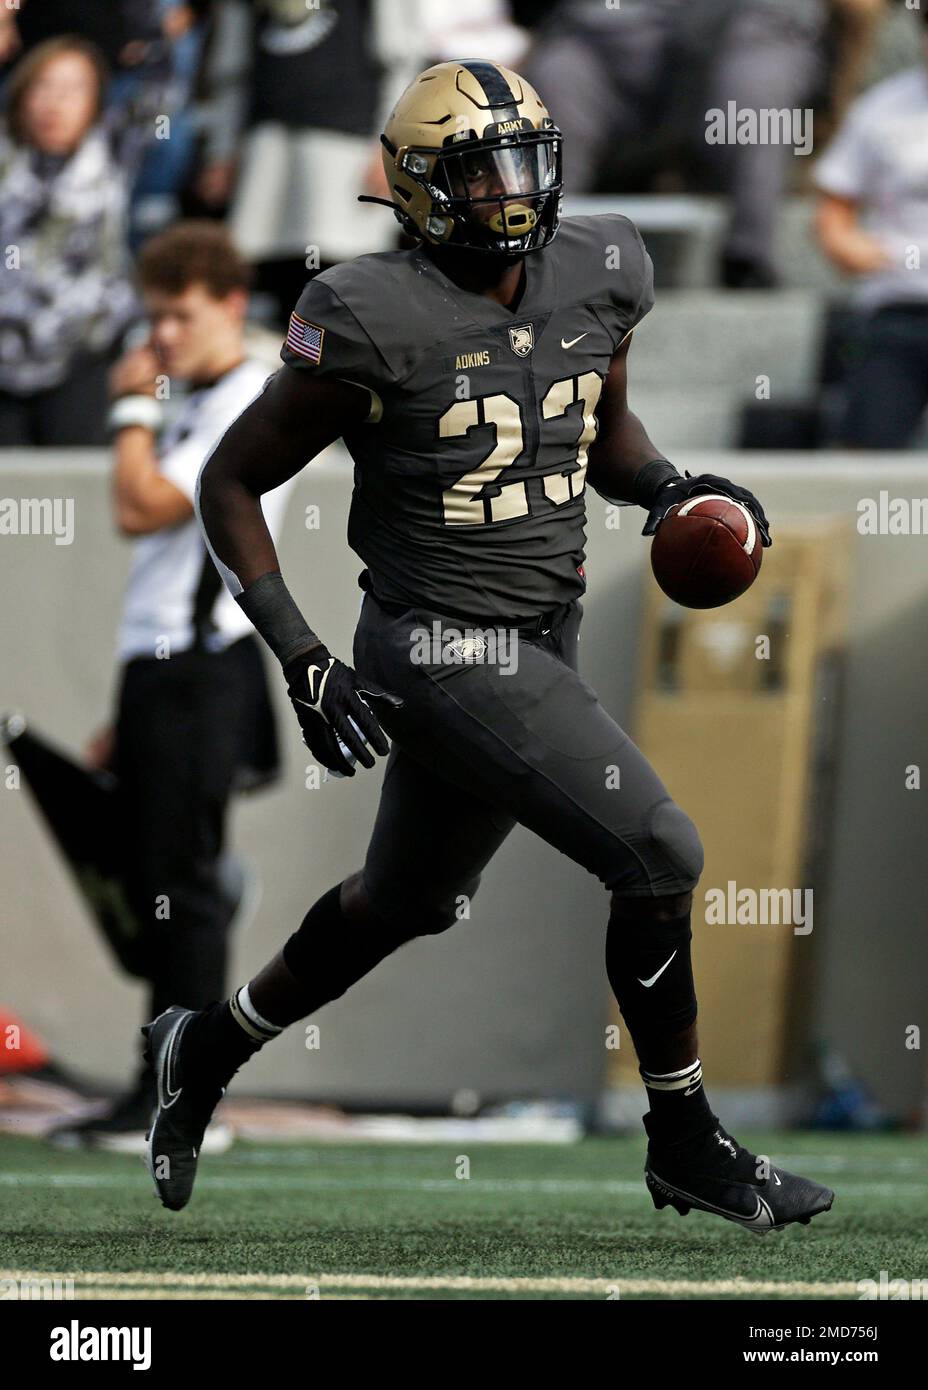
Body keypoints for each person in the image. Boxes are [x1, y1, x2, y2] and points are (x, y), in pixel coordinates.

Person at [144, 60, 834, 1232]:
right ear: (417, 187)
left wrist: (672, 489)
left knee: (402, 901)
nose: (508, 191)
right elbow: (228, 480)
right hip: (435, 644)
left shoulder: (603, 263)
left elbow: (603, 436)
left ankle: (201, 1047)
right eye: (476, 171)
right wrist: (302, 652)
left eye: (523, 161)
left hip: (542, 634)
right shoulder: (365, 310)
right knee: (658, 850)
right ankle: (687, 1142)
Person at [56, 222, 293, 1147]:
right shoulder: (200, 399)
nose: (162, 335)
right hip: (163, 669)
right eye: (153, 317)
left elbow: (140, 505)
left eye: (181, 315)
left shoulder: (248, 395)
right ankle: (154, 1082)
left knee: (182, 889)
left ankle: (183, 1099)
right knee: (160, 878)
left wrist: (128, 407)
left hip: (200, 668)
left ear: (232, 305)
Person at [0, 37, 145, 446]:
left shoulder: (115, 150)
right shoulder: (5, 157)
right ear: (21, 94)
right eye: (44, 86)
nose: (55, 103)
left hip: (84, 359)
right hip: (4, 361)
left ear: (97, 101)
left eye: (73, 89)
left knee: (77, 480)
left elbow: (162, 85)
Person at [815, 6, 928, 448]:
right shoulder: (882, 108)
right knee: (863, 450)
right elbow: (835, 207)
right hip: (898, 309)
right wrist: (849, 246)